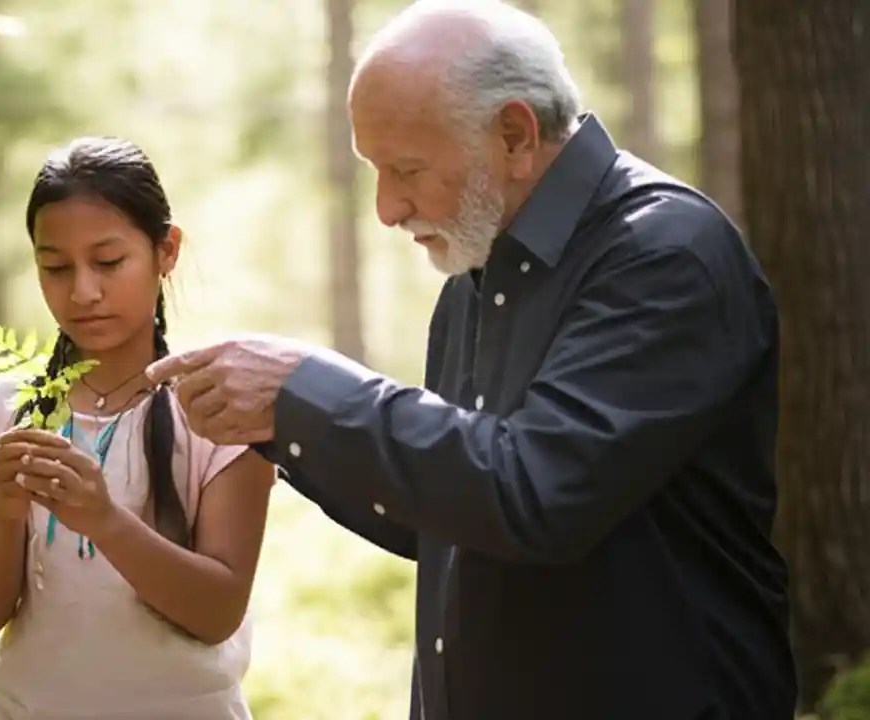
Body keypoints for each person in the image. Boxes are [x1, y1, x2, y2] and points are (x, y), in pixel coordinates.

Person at [146, 2, 796, 719]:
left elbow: (535, 492)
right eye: (375, 170)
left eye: (406, 169)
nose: (387, 208)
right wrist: (271, 422)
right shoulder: (477, 274)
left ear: (514, 134)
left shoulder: (663, 255)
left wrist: (302, 391)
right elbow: (452, 510)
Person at [0, 136, 275, 720]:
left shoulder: (221, 406)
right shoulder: (1, 411)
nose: (83, 292)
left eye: (109, 262)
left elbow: (218, 611)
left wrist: (103, 519)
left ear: (166, 250)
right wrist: (8, 508)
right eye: (55, 267)